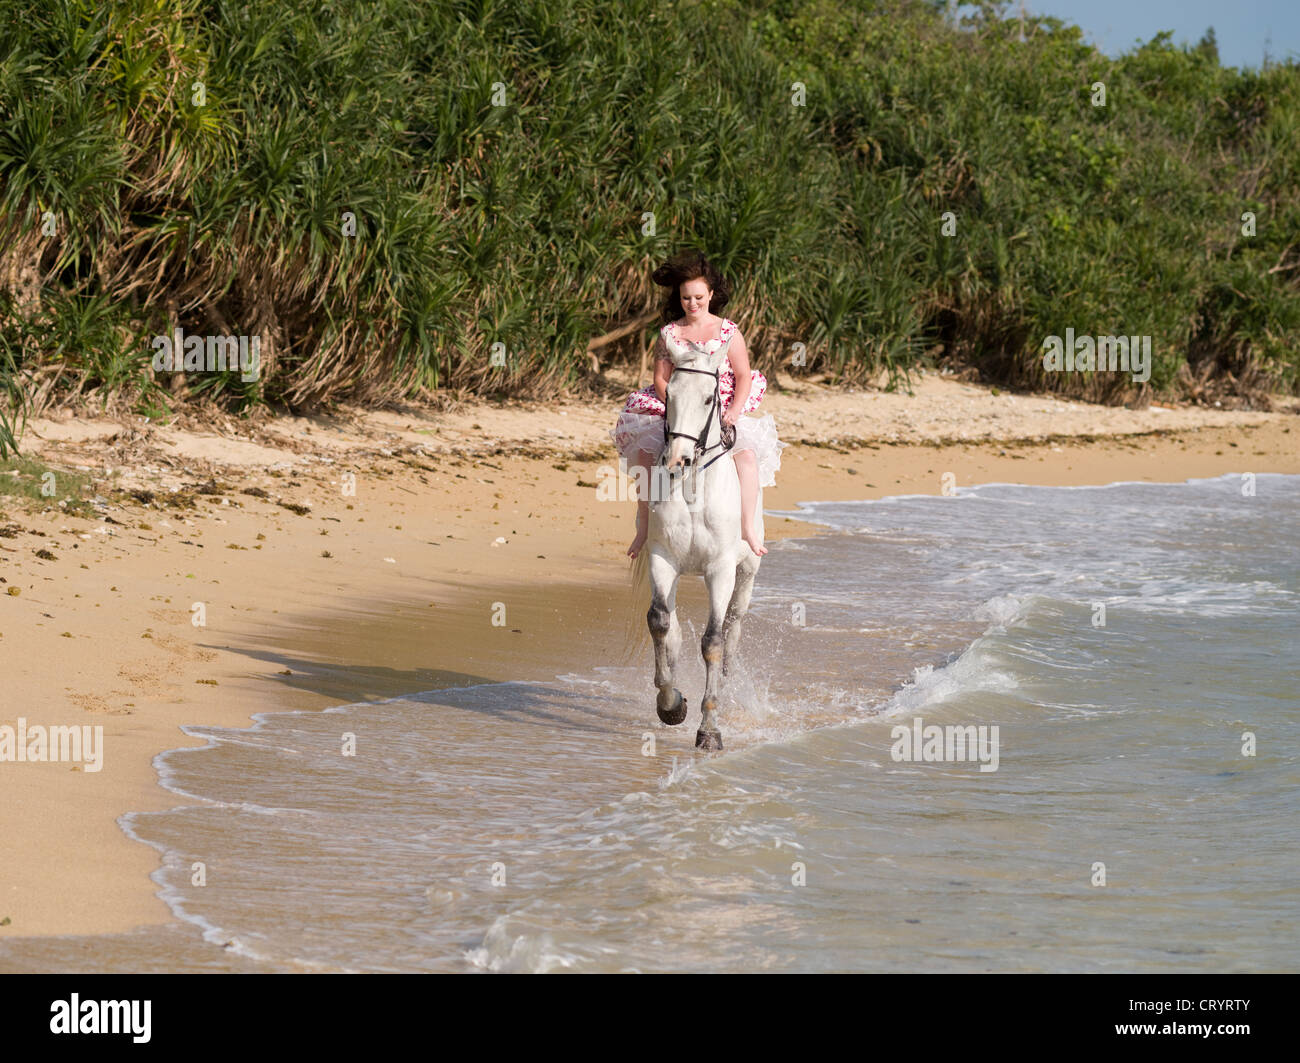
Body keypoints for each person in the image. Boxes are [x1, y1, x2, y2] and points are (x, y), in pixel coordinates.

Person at [610, 252, 786, 560]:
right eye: (686, 298)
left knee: (746, 459)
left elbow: (744, 375)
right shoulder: (669, 334)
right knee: (642, 455)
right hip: (679, 404)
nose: (693, 304)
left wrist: (732, 411)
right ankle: (644, 527)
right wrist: (678, 409)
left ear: (711, 295)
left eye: (699, 297)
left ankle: (747, 527)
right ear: (679, 298)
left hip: (722, 403)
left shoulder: (728, 331)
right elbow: (661, 379)